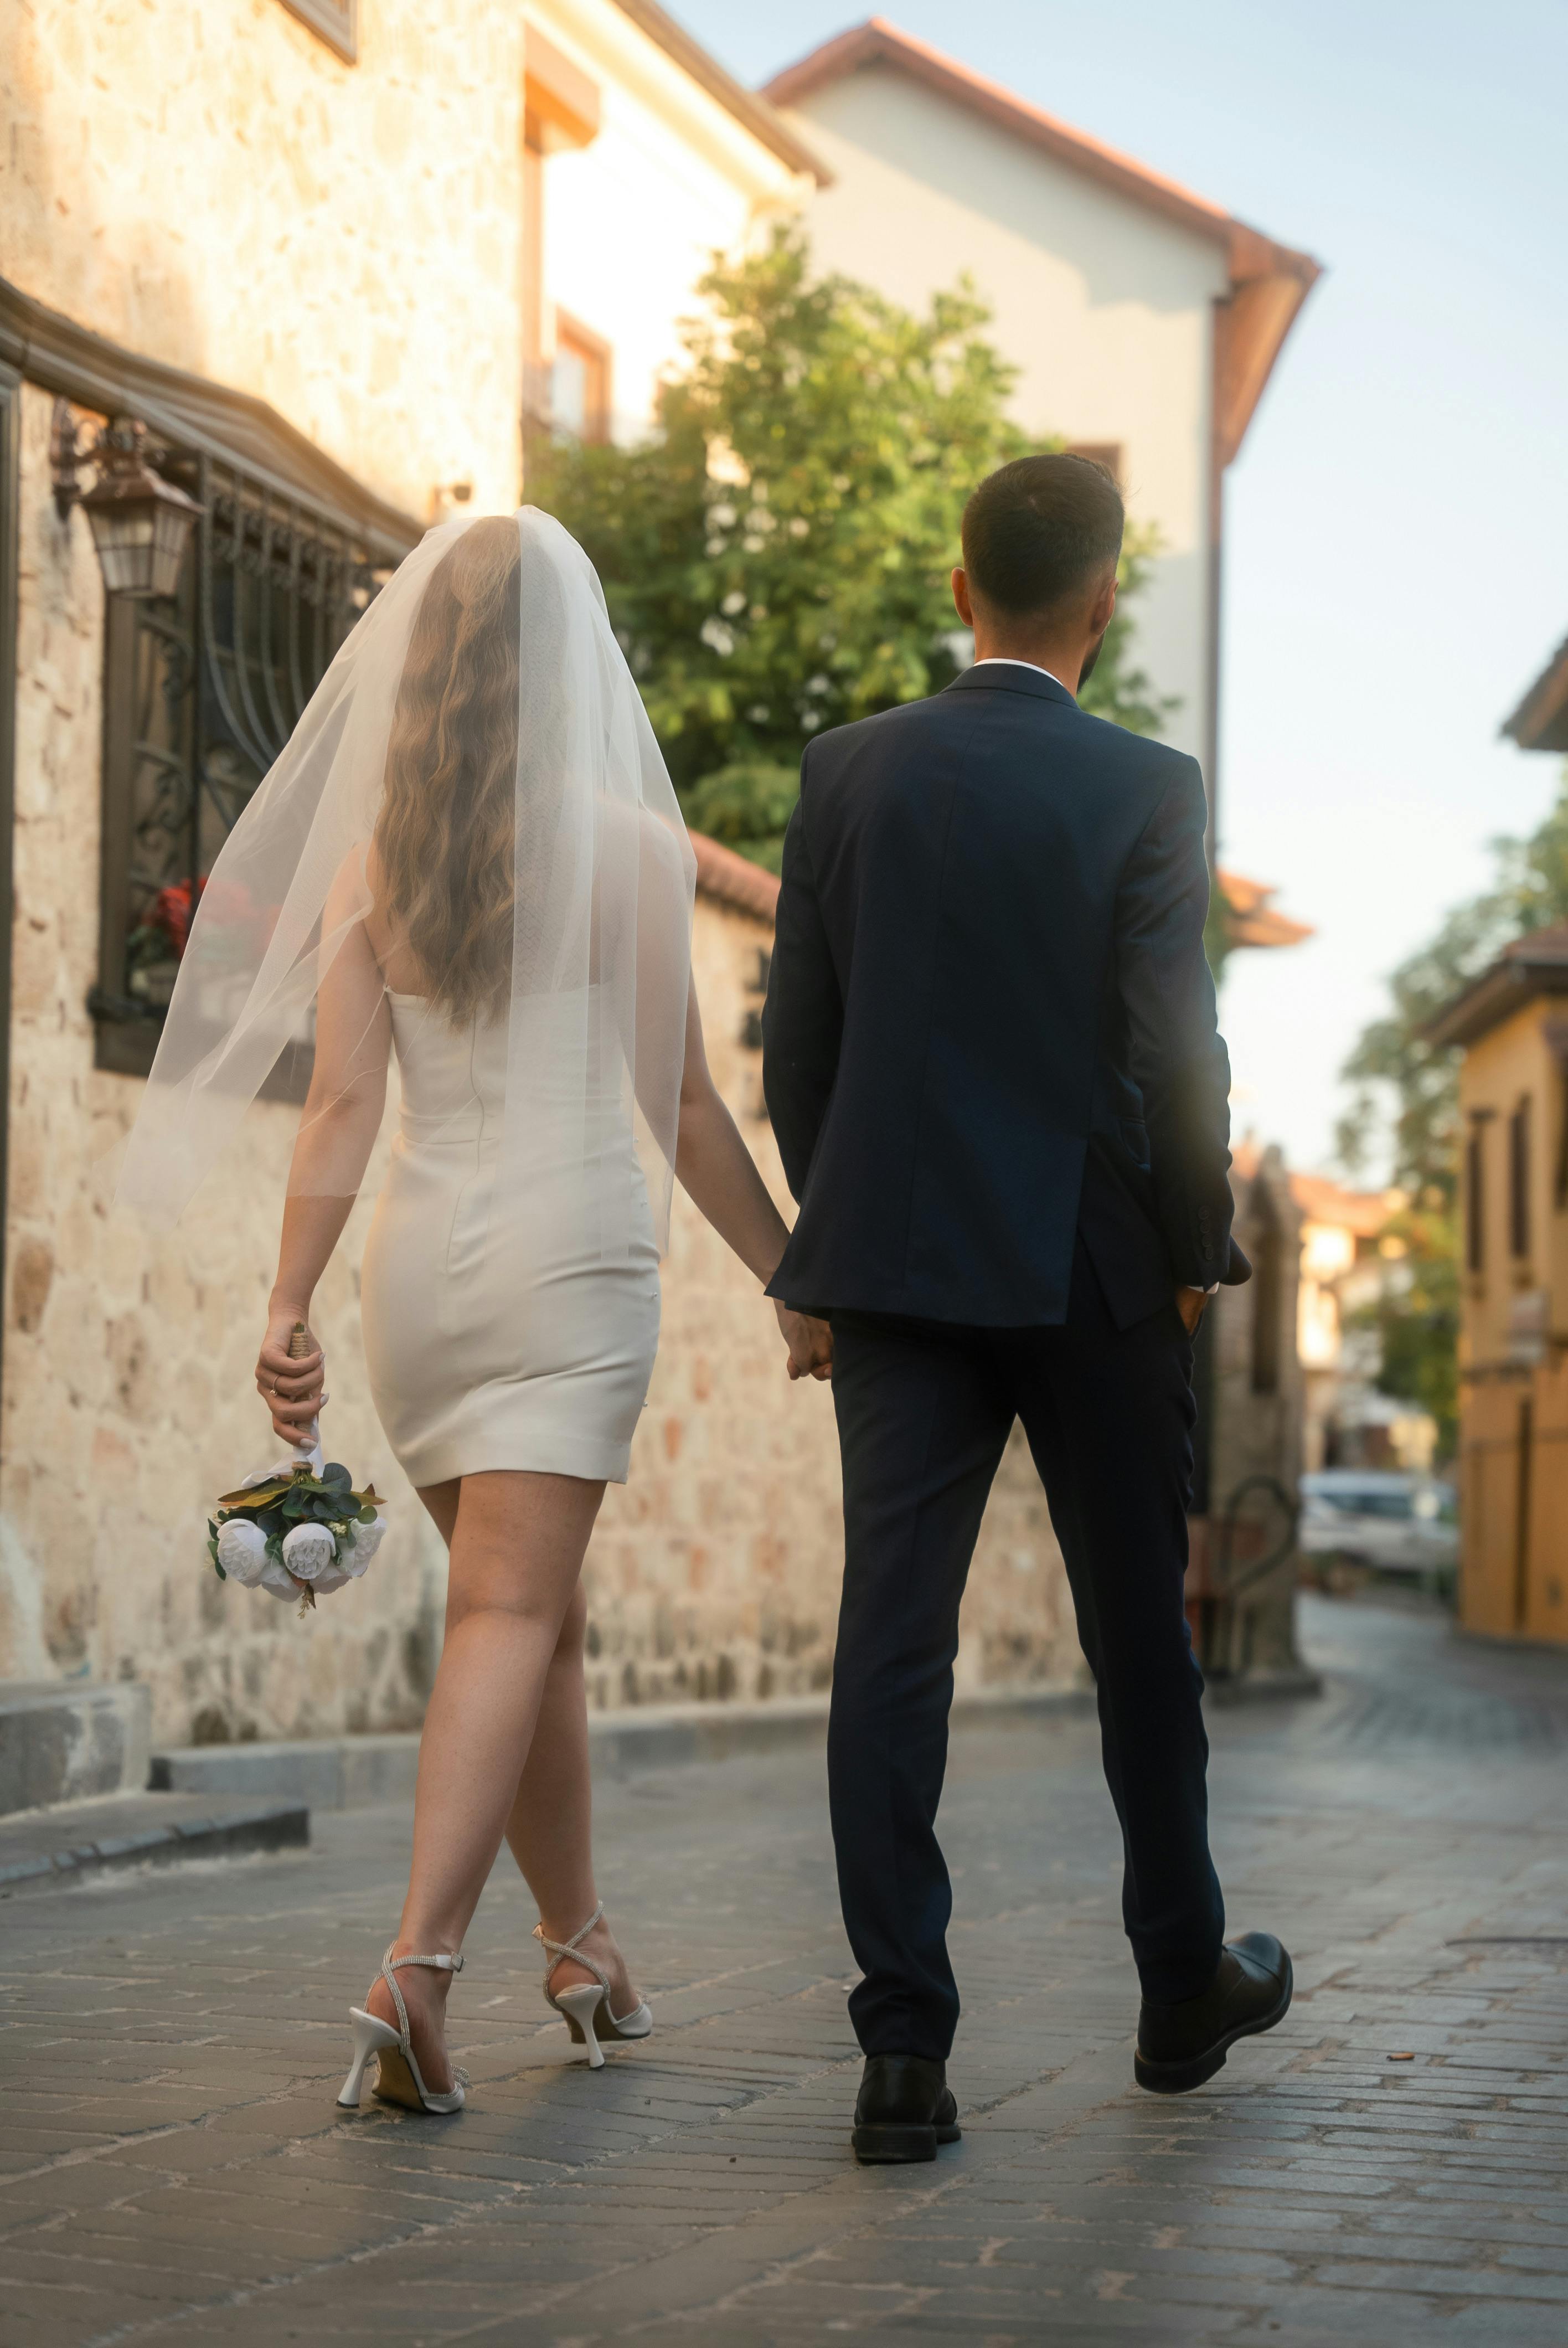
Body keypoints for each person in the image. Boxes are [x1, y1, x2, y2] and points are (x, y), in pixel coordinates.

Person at [120, 511, 831, 2114]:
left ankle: (579, 1944)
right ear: (569, 663)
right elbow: (690, 1113)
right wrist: (795, 1277)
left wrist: (288, 1301)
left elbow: (342, 1110)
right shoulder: (635, 855)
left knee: (541, 1618)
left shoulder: (382, 857)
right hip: (570, 1261)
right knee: (509, 1617)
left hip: (421, 1275)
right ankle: (417, 1971)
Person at [761, 452, 1292, 2165]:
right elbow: (1173, 1048)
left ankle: (902, 2052)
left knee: (892, 1644)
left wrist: (835, 1248)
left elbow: (801, 1051)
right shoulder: (1148, 783)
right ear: (1106, 601)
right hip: (1091, 1267)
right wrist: (1198, 1247)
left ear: (958, 586)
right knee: (1143, 1641)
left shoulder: (845, 771)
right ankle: (1176, 1991)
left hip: (898, 1266)